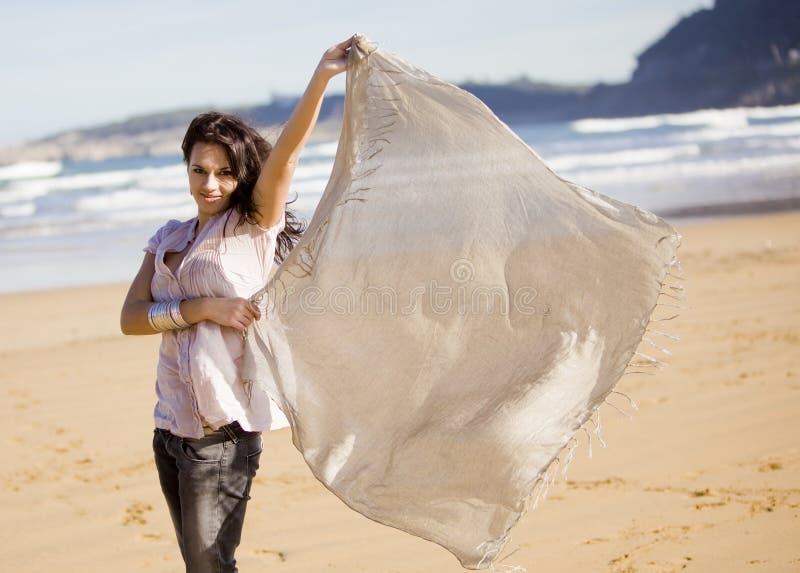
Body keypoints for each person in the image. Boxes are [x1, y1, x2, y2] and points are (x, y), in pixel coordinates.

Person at [120, 36, 353, 573]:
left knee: (209, 566)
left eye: (224, 172)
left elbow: (288, 153)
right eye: (199, 169)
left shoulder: (251, 228)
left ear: (241, 175)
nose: (211, 183)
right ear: (186, 167)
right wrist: (200, 308)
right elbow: (130, 319)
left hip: (222, 434)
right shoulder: (168, 238)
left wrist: (321, 76)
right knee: (200, 566)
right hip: (171, 426)